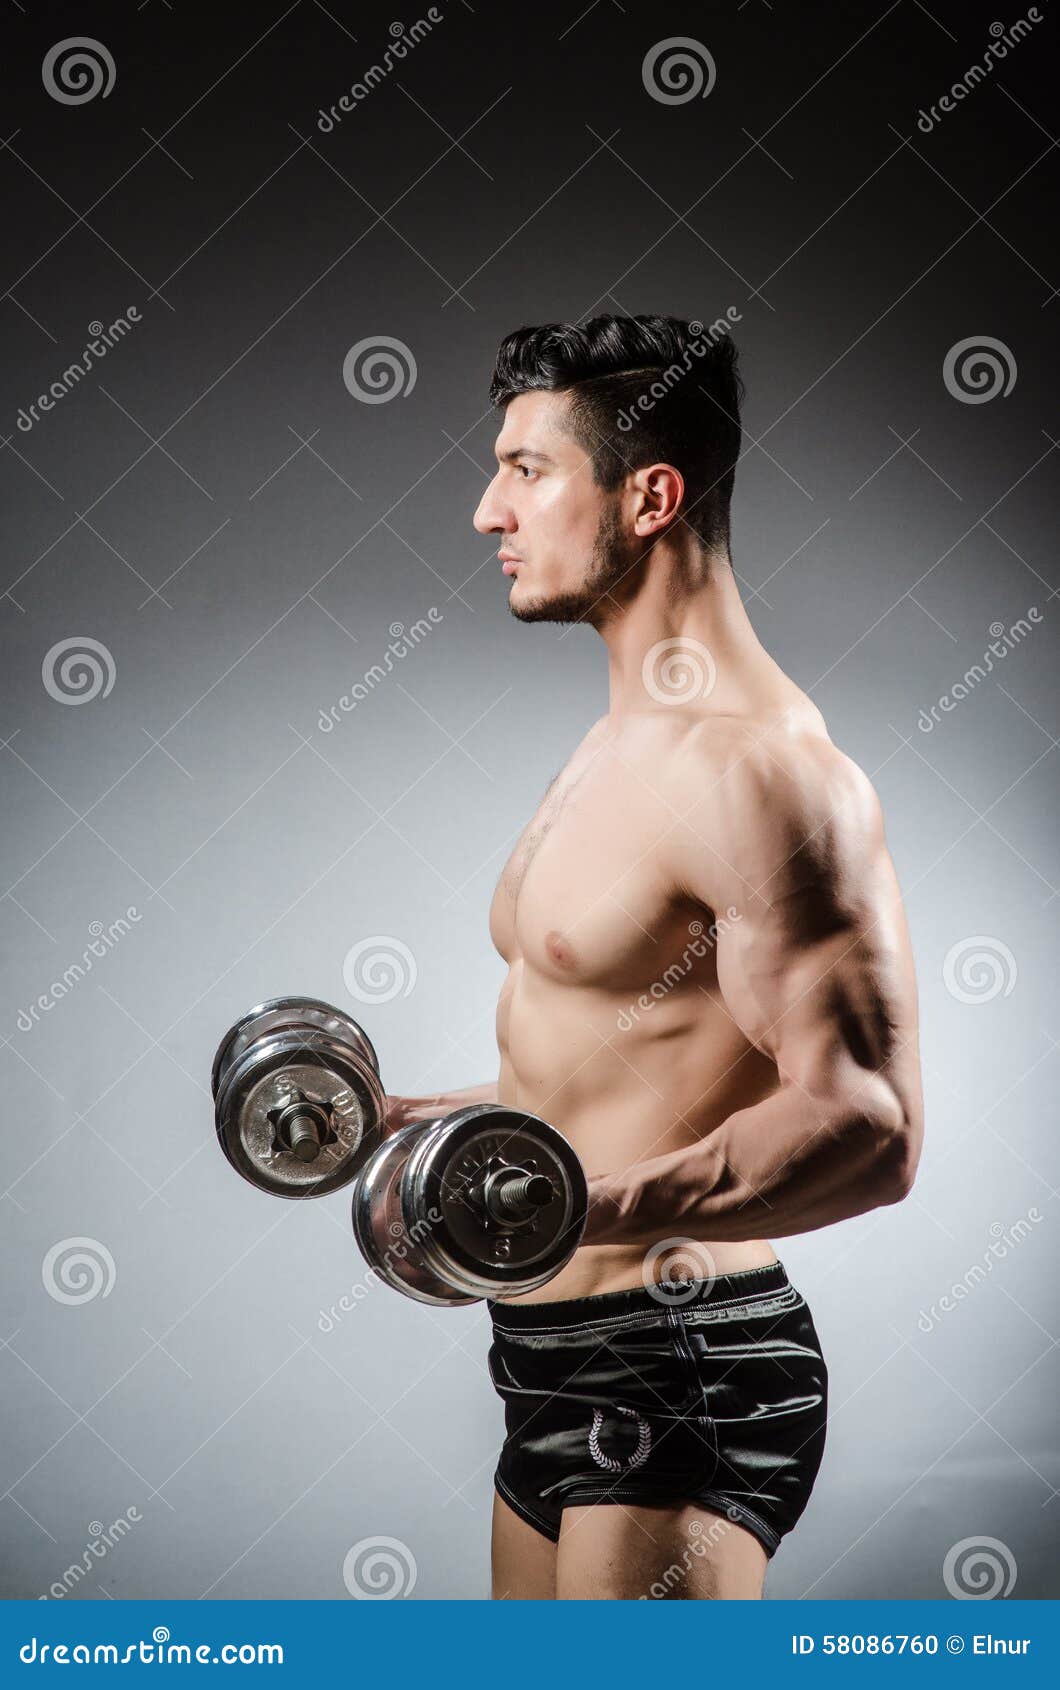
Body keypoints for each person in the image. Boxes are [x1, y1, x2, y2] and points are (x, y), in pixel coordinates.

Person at [385, 315, 923, 1600]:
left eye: (526, 470)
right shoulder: (619, 739)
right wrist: (425, 1130)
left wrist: (566, 1209)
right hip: (548, 1354)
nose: (484, 510)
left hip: (680, 1357)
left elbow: (869, 1125)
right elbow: (614, 1070)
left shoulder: (763, 774)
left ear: (650, 496)